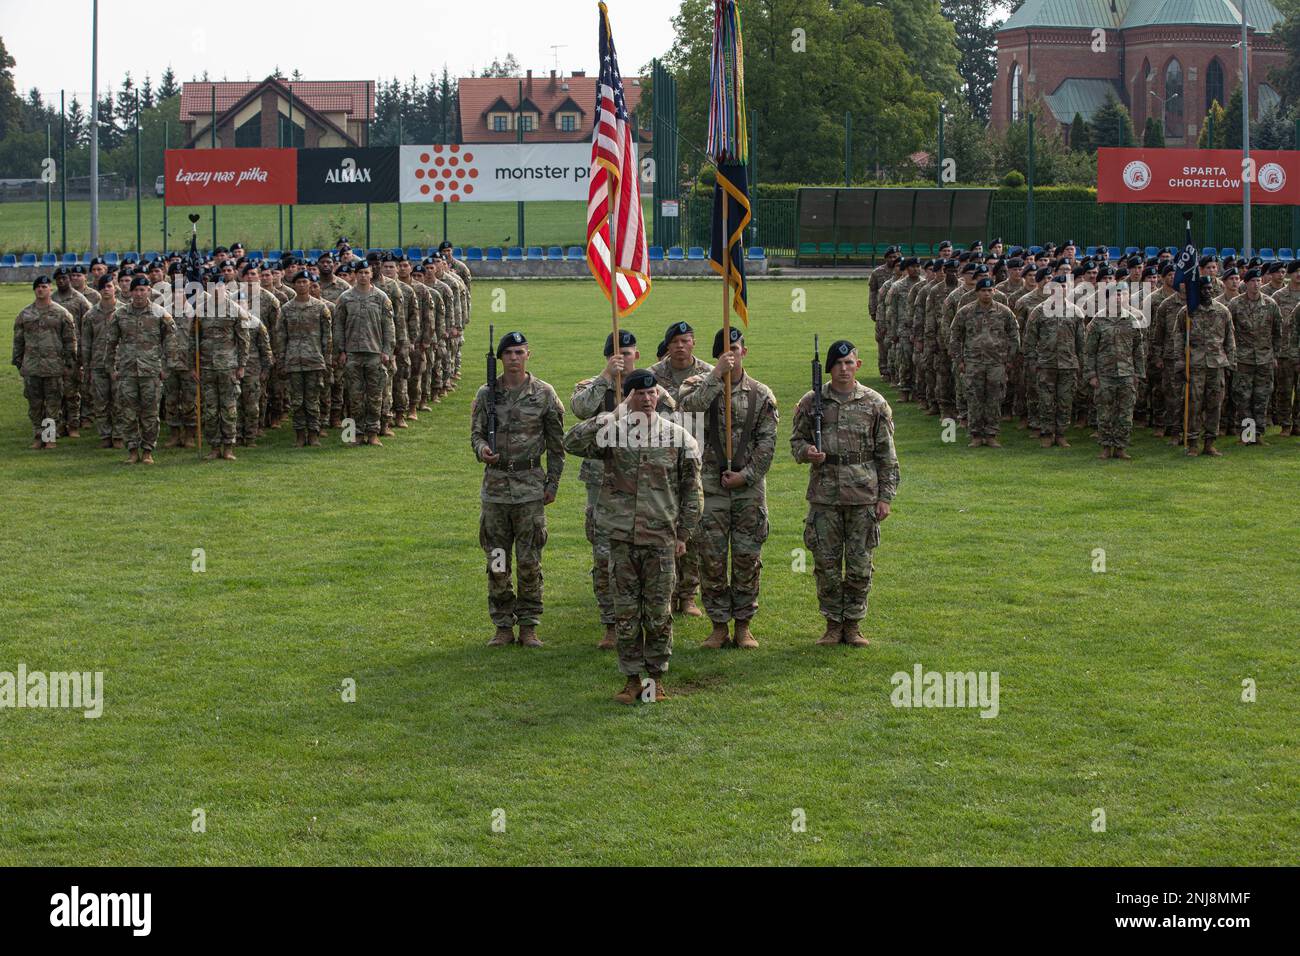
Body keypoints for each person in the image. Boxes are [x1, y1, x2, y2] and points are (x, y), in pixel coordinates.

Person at [562, 368, 702, 704]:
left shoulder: (679, 437)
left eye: (652, 393)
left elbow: (692, 493)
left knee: (657, 614)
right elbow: (572, 441)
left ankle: (655, 679)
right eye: (640, 394)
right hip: (622, 540)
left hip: (660, 540)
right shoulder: (614, 433)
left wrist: (683, 534)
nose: (648, 399)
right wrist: (613, 413)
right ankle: (630, 679)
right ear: (630, 397)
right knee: (626, 613)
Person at [570, 330, 676, 650]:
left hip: (644, 488)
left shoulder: (655, 392)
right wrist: (605, 378)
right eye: (616, 354)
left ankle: (648, 619)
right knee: (605, 557)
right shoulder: (593, 387)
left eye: (627, 353)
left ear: (638, 355)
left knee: (645, 557)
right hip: (604, 485)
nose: (622, 358)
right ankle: (611, 624)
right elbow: (578, 411)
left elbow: (671, 426)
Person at [790, 340, 899, 646]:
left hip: (863, 494)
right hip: (825, 495)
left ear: (858, 365)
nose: (843, 369)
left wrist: (885, 497)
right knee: (826, 565)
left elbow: (887, 455)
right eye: (838, 364)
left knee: (859, 564)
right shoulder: (813, 402)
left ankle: (853, 624)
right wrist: (807, 451)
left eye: (849, 363)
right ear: (829, 368)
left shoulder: (874, 403)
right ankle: (832, 623)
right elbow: (795, 441)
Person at [677, 327, 778, 649]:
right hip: (711, 486)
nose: (730, 355)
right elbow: (688, 413)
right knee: (712, 558)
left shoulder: (761, 394)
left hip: (748, 489)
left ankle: (744, 625)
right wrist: (716, 376)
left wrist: (746, 475)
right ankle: (719, 625)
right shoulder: (697, 385)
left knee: (748, 559)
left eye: (735, 348)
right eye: (723, 351)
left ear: (744, 352)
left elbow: (767, 443)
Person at [470, 331, 566, 648]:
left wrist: (552, 484)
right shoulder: (487, 394)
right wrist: (482, 449)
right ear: (501, 358)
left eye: (519, 352)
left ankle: (528, 625)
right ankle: (502, 625)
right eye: (508, 352)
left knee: (529, 562)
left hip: (529, 490)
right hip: (496, 490)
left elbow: (556, 446)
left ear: (529, 355)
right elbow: (476, 435)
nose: (514, 357)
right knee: (497, 561)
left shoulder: (544, 394)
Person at [648, 320, 714, 618]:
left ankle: (688, 594)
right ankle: (666, 591)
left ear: (693, 343)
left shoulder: (709, 374)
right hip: (661, 461)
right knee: (663, 528)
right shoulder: (652, 375)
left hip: (697, 458)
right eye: (674, 341)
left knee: (693, 528)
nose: (680, 346)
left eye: (685, 340)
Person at [105, 276, 175, 464]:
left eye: (143, 290)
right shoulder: (120, 314)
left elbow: (171, 343)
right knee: (127, 413)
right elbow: (110, 343)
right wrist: (111, 368)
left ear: (149, 291)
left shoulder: (160, 313)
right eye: (136, 290)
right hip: (127, 371)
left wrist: (166, 368)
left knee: (150, 413)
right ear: (130, 291)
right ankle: (132, 449)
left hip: (151, 372)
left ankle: (147, 450)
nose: (139, 293)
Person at [950, 278, 1019, 447]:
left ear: (994, 291)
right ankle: (975, 434)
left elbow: (1014, 336)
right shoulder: (965, 312)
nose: (986, 294)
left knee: (994, 399)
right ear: (977, 292)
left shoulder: (1004, 312)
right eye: (983, 291)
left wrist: (1009, 359)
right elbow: (955, 337)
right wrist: (959, 359)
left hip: (996, 363)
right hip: (973, 362)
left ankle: (991, 434)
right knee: (974, 398)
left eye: (989, 291)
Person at [333, 260, 395, 446]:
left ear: (371, 274)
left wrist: (387, 351)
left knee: (375, 396)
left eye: (366, 272)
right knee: (354, 397)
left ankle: (373, 433)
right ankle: (356, 434)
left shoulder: (381, 297)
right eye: (359, 272)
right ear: (355, 274)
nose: (363, 276)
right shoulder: (345, 298)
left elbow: (388, 327)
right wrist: (341, 350)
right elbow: (338, 327)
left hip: (374, 353)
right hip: (352, 354)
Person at [12, 275, 76, 450]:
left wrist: (68, 363)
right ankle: (38, 435)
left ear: (50, 289)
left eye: (44, 286)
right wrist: (19, 362)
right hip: (32, 366)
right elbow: (18, 341)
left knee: (53, 404)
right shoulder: (25, 314)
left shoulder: (61, 313)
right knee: (35, 404)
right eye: (38, 287)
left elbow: (70, 340)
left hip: (53, 367)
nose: (40, 289)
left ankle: (49, 437)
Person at [1023, 276, 1085, 448]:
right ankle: (1047, 433)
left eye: (1064, 287)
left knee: (1065, 400)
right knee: (1046, 400)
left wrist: (1082, 364)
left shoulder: (1076, 311)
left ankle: (1061, 434)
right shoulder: (1039, 311)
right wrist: (1032, 361)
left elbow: (1081, 342)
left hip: (1068, 365)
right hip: (1046, 364)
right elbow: (1029, 339)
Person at [194, 275, 251, 460]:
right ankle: (214, 446)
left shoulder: (235, 310)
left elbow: (244, 341)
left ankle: (228, 447)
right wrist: (192, 366)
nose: (215, 290)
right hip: (206, 366)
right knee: (210, 409)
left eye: (219, 286)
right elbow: (193, 339)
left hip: (228, 367)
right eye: (212, 287)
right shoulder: (200, 310)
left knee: (229, 408)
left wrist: (241, 365)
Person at [1085, 287, 1146, 459]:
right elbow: (1089, 351)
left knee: (1125, 413)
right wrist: (1091, 375)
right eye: (1115, 295)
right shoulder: (1098, 321)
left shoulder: (1132, 319)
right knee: (1105, 413)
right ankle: (1105, 446)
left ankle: (1120, 447)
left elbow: (1138, 350)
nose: (1119, 297)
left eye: (1122, 294)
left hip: (1126, 373)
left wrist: (1138, 374)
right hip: (1105, 374)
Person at [1179, 277, 1237, 457]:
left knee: (1215, 405)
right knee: (1194, 405)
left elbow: (1229, 339)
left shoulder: (1222, 311)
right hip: (1195, 365)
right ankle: (1193, 442)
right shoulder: (1188, 311)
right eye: (1203, 289)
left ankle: (1210, 443)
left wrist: (1231, 363)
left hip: (1216, 365)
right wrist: (1181, 363)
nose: (1208, 292)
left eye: (1210, 288)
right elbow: (1178, 338)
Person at [1227, 269, 1282, 445]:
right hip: (1243, 359)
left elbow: (1277, 332)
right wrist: (1232, 355)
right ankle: (1246, 435)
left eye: (1258, 281)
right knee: (1243, 398)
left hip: (1265, 358)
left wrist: (1275, 355)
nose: (1256, 284)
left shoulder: (1270, 304)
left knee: (1261, 398)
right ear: (1246, 283)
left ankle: (1257, 435)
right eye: (1252, 281)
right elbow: (1229, 332)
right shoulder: (1235, 304)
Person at [280, 270, 333, 446]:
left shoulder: (320, 307)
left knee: (312, 400)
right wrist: (282, 360)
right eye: (299, 282)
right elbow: (281, 337)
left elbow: (327, 337)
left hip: (315, 361)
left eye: (305, 282)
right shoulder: (286, 309)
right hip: (294, 361)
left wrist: (327, 360)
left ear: (310, 284)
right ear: (293, 285)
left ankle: (314, 434)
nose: (302, 285)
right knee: (297, 401)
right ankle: (300, 435)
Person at [81, 274, 124, 448]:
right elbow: (86, 343)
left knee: (119, 401)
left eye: (109, 286)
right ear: (98, 291)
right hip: (98, 364)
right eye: (102, 287)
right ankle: (105, 436)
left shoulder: (124, 311)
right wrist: (86, 367)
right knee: (100, 402)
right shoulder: (90, 315)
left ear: (114, 288)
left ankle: (119, 436)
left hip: (118, 363)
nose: (106, 290)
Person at [51, 267, 90, 437]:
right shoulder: (52, 299)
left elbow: (88, 325)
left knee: (72, 391)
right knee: (55, 392)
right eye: (58, 279)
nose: (61, 281)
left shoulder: (80, 300)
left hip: (74, 352)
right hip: (54, 352)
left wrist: (83, 354)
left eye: (64, 278)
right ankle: (57, 427)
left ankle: (73, 424)